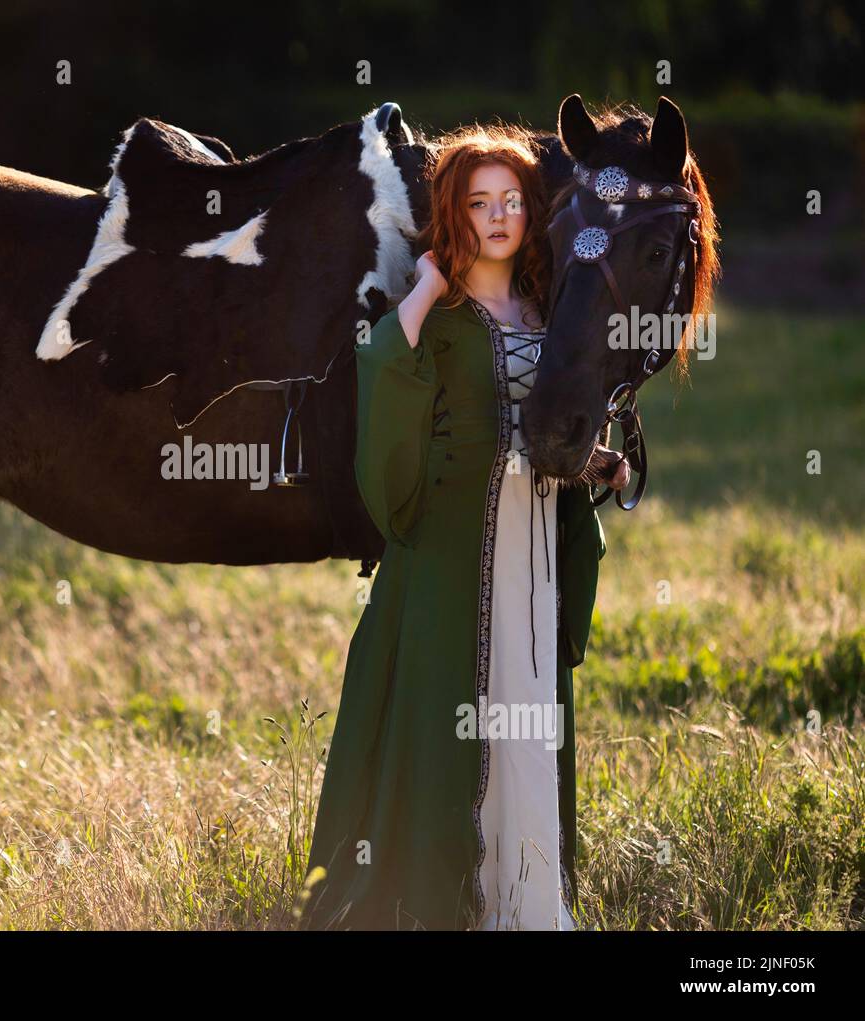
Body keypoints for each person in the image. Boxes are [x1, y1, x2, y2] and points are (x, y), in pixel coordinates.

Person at [299, 124, 627, 931]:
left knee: (528, 704)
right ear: (456, 212)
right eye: (480, 202)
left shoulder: (549, 310)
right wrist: (423, 285)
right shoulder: (437, 316)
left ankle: (523, 896)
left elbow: (548, 426)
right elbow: (383, 367)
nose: (499, 216)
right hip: (451, 544)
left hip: (536, 542)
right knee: (452, 708)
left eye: (513, 201)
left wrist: (598, 467)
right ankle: (439, 898)